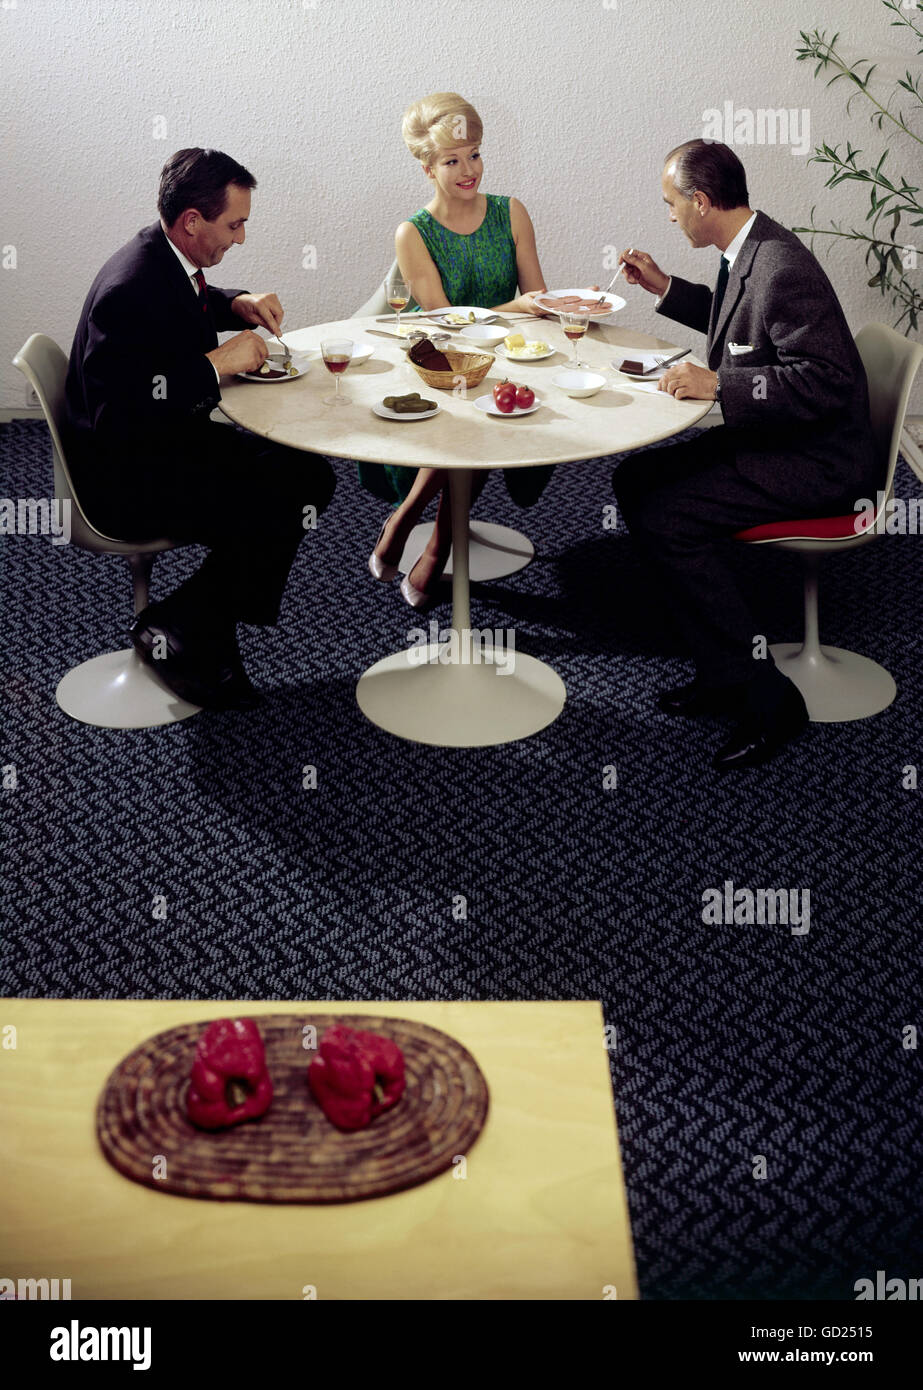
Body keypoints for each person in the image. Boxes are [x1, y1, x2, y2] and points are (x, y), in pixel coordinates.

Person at [612, 139, 878, 771]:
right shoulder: (746, 247)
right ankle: (720, 668)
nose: (671, 216)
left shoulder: (781, 266)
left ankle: (767, 696)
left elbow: (825, 381)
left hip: (816, 462)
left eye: (672, 204)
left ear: (702, 202)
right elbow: (737, 319)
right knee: (636, 476)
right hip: (777, 437)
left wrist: (721, 385)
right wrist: (667, 287)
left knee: (664, 515)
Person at [64, 147, 335, 710]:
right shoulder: (128, 290)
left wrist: (237, 303)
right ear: (192, 221)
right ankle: (186, 624)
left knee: (306, 474)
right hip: (126, 480)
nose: (239, 239)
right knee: (281, 498)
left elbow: (187, 302)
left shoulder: (161, 258)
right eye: (234, 225)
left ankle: (193, 617)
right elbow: (120, 419)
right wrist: (215, 365)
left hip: (165, 445)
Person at [365, 92, 554, 608]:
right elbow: (445, 322)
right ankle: (436, 542)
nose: (469, 169)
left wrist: (524, 312)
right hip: (441, 364)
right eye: (452, 160)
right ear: (427, 167)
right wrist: (515, 310)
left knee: (489, 410)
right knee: (477, 417)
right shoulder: (413, 233)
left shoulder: (511, 213)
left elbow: (540, 299)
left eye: (474, 153)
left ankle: (406, 522)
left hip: (509, 357)